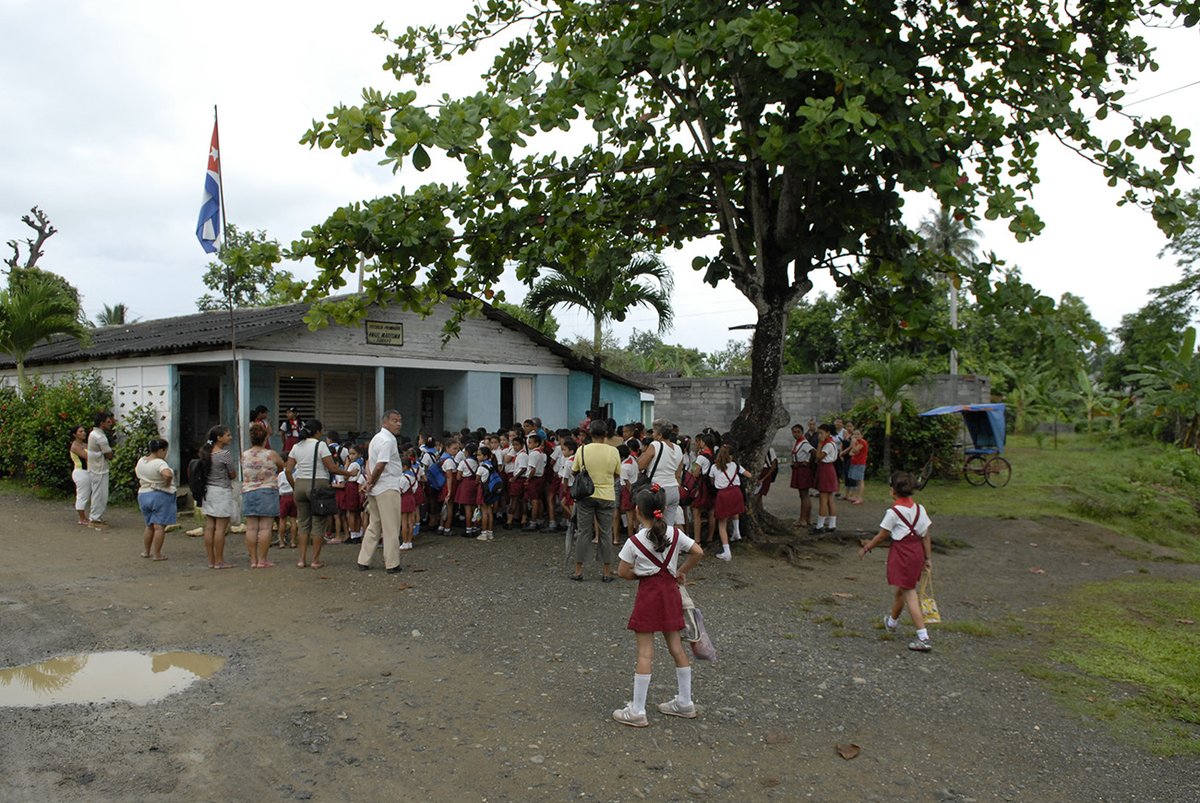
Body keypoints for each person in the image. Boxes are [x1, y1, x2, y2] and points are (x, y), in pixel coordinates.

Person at [612, 486, 704, 727]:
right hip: (670, 595)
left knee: (645, 653)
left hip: (649, 597)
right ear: (662, 510)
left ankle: (638, 710)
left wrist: (641, 574)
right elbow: (697, 552)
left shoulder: (634, 542)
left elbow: (622, 571)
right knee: (677, 648)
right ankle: (685, 702)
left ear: (637, 511)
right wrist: (681, 572)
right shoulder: (674, 534)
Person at [857, 471, 934, 652]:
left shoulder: (893, 512)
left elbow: (883, 535)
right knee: (902, 588)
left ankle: (923, 636)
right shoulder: (919, 509)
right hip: (917, 553)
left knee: (909, 593)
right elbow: (926, 536)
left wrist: (867, 547)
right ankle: (891, 622)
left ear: (893, 491)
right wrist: (928, 558)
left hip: (902, 553)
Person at [285, 418, 353, 569]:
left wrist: (294, 486)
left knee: (303, 523)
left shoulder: (296, 446)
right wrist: (350, 473)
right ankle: (315, 560)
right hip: (318, 485)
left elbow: (288, 470)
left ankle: (301, 560)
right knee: (318, 524)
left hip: (300, 485)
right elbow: (332, 468)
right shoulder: (320, 445)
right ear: (317, 431)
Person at [570, 418, 622, 581]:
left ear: (590, 433)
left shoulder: (582, 450)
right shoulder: (613, 451)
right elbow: (616, 474)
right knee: (606, 533)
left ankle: (578, 571)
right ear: (606, 434)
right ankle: (606, 572)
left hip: (586, 496)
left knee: (584, 532)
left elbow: (574, 471)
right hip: (606, 495)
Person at [357, 410, 405, 573]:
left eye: (399, 420)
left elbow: (370, 462)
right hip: (387, 486)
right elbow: (380, 464)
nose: (398, 423)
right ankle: (392, 563)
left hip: (377, 488)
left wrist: (369, 482)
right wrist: (371, 481)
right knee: (391, 527)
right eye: (394, 420)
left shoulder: (376, 439)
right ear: (385, 422)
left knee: (374, 524)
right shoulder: (387, 440)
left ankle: (363, 560)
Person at [241, 422, 286, 568]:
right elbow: (281, 467)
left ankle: (253, 560)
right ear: (265, 437)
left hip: (248, 491)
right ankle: (262, 559)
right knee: (266, 527)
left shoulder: (244, 455)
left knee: (251, 527)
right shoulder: (271, 454)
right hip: (267, 491)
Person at [200, 425, 238, 569]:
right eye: (228, 435)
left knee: (210, 527)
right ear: (219, 438)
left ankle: (211, 560)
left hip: (208, 491)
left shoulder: (205, 453)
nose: (230, 437)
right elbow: (232, 473)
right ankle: (220, 560)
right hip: (222, 491)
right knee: (221, 528)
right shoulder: (224, 454)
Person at [637, 419, 684, 526]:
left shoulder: (655, 445)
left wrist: (643, 454)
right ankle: (667, 542)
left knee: (648, 523)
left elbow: (640, 465)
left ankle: (648, 543)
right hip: (674, 490)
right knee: (668, 525)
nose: (652, 435)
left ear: (660, 435)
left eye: (654, 432)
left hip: (657, 489)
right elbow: (678, 474)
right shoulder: (678, 449)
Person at [135, 438, 175, 561]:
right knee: (159, 527)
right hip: (159, 495)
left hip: (143, 494)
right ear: (161, 450)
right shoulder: (160, 463)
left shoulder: (142, 461)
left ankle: (146, 551)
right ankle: (157, 554)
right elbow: (167, 474)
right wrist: (167, 483)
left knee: (149, 525)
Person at [710, 444, 752, 561]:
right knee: (734, 511)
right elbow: (749, 475)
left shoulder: (714, 467)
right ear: (731, 456)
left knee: (722, 523)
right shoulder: (735, 465)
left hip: (723, 494)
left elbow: (712, 482)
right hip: (736, 492)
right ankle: (736, 531)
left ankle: (727, 551)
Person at [86, 410, 115, 528]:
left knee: (99, 494)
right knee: (100, 494)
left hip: (96, 467)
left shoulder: (94, 433)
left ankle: (96, 517)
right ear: (102, 423)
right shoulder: (99, 436)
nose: (110, 423)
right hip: (99, 468)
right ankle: (95, 519)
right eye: (108, 422)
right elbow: (109, 454)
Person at [788, 424, 816, 531]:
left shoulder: (804, 443)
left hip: (803, 470)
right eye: (794, 432)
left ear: (802, 432)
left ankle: (803, 519)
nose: (796, 434)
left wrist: (808, 462)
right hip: (798, 469)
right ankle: (807, 519)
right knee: (803, 494)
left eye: (798, 432)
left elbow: (813, 452)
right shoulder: (797, 443)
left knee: (804, 494)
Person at [814, 423, 839, 534]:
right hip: (829, 470)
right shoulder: (832, 443)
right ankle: (832, 524)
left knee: (823, 499)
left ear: (828, 433)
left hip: (826, 470)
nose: (820, 435)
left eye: (821, 433)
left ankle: (820, 525)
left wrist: (819, 444)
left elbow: (819, 457)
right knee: (829, 499)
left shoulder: (828, 445)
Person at [69, 424, 90, 525]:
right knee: (82, 495)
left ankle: (86, 516)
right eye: (80, 432)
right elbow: (86, 456)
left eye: (84, 431)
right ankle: (82, 518)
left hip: (88, 472)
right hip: (81, 472)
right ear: (75, 434)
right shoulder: (75, 446)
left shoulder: (85, 445)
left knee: (88, 494)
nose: (83, 433)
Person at [845, 426, 869, 505]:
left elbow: (854, 450)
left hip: (860, 464)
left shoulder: (862, 442)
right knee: (855, 480)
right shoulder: (857, 442)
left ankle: (859, 497)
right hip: (854, 463)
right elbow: (851, 453)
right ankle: (855, 496)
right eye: (855, 434)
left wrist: (853, 443)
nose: (856, 436)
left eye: (858, 434)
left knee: (860, 480)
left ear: (861, 435)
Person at [277, 467, 297, 548]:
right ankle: (293, 541)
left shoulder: (281, 474)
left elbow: (278, 485)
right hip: (293, 496)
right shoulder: (296, 473)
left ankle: (281, 541)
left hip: (284, 497)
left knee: (282, 520)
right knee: (293, 520)